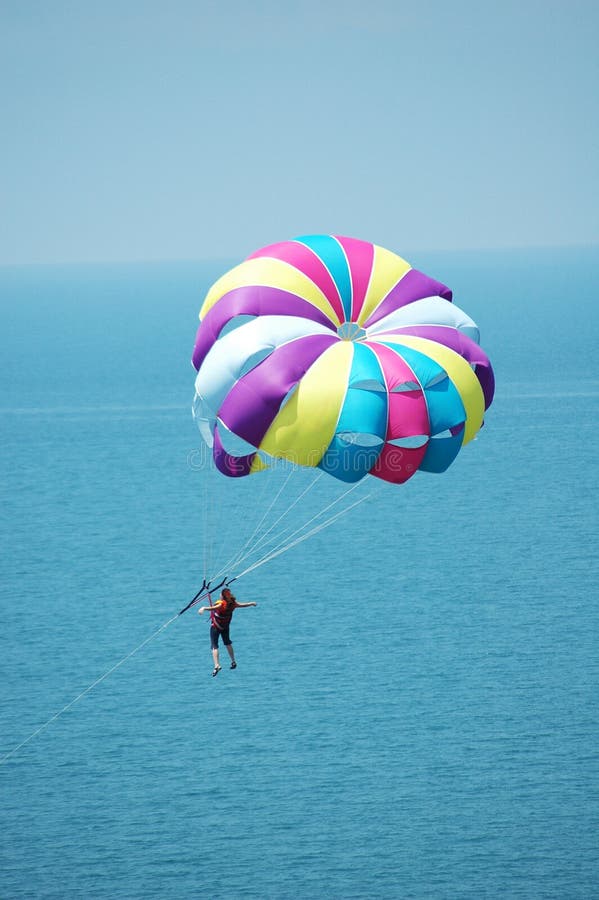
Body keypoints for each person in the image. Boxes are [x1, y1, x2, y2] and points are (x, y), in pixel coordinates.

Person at [198, 587, 257, 676]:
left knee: (214, 646)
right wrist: (251, 603)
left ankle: (217, 665)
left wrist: (203, 608)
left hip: (216, 627)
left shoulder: (222, 604)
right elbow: (243, 605)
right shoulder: (233, 604)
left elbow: (213, 608)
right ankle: (233, 661)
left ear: (222, 596)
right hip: (225, 627)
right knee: (227, 643)